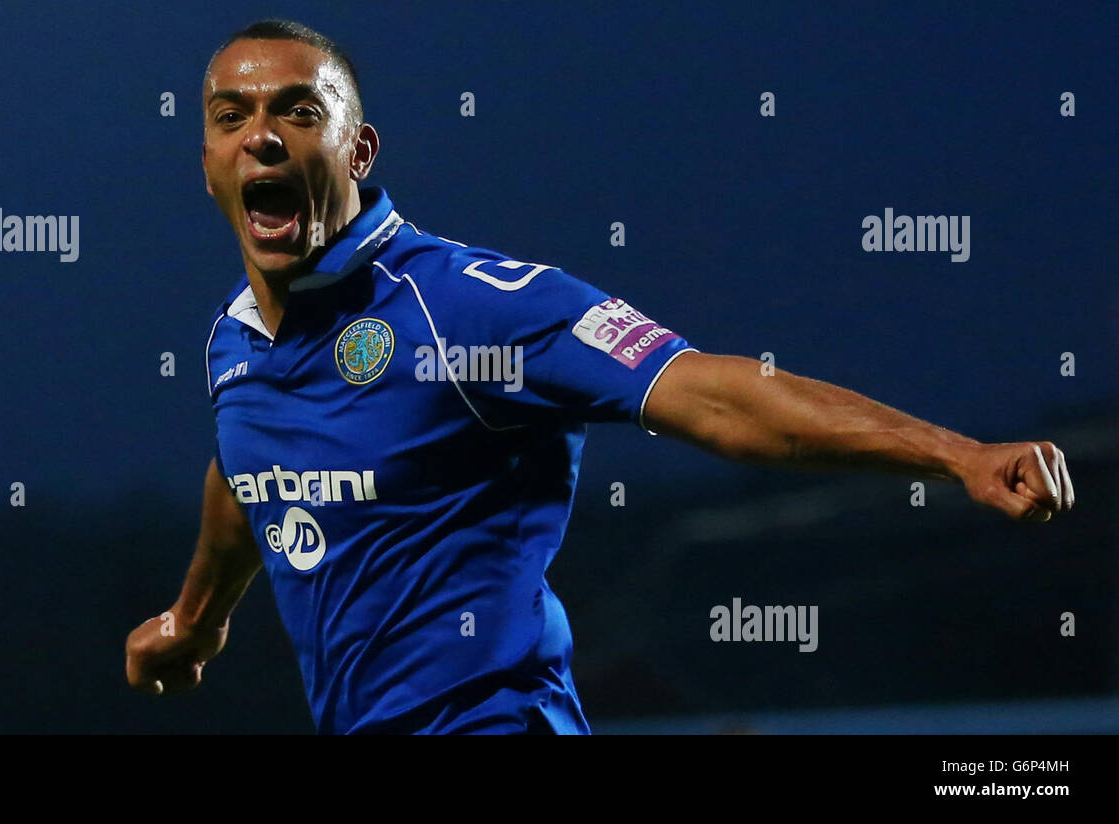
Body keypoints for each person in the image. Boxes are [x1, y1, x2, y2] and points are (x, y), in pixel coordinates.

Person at [125, 19, 1074, 734]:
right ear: (206, 160)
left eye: (299, 110)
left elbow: (714, 393)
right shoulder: (233, 343)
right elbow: (248, 471)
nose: (262, 135)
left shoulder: (473, 305)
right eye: (231, 116)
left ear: (358, 151)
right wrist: (196, 616)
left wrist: (957, 455)